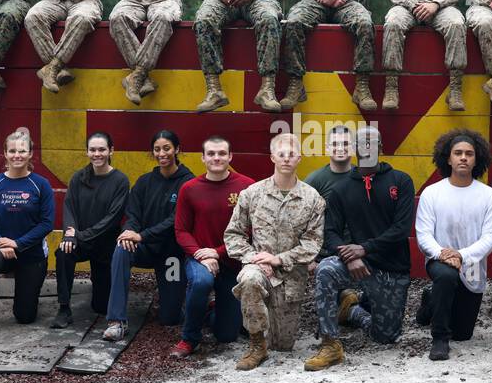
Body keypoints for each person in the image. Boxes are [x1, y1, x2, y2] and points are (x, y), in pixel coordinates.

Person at [312, 126, 415, 369]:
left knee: (386, 337)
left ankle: (353, 312)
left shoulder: (401, 181)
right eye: (362, 143)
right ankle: (330, 343)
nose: (367, 147)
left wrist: (364, 249)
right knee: (325, 269)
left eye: (372, 143)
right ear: (355, 149)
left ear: (381, 148)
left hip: (391, 266)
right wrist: (348, 256)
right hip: (357, 263)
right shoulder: (341, 189)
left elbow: (401, 229)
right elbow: (331, 232)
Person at [225, 134, 326, 370]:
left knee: (283, 345)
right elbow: (233, 234)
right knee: (249, 279)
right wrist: (254, 259)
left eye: (292, 154)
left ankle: (269, 339)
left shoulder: (312, 199)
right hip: (259, 268)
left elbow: (313, 243)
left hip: (291, 278)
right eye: (281, 154)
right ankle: (256, 345)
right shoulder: (252, 194)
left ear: (299, 158)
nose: (286, 159)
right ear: (272, 157)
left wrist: (279, 258)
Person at [415, 129, 492, 360]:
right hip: (439, 261)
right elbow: (423, 235)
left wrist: (461, 255)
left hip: (472, 266)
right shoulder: (432, 193)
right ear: (448, 158)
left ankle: (431, 302)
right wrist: (443, 255)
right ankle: (439, 338)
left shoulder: (490, 196)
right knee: (446, 276)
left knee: (463, 334)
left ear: (477, 158)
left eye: (469, 154)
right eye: (458, 153)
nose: (463, 157)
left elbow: (489, 238)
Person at [99, 129, 193, 340]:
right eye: (157, 149)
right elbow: (132, 214)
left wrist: (142, 235)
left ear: (177, 149)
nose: (162, 154)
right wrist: (130, 231)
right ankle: (116, 322)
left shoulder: (188, 183)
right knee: (122, 246)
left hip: (171, 253)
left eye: (167, 148)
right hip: (144, 247)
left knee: (170, 318)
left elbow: (175, 222)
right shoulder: (144, 181)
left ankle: (186, 301)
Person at [171, 136, 255, 358]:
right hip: (200, 259)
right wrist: (203, 256)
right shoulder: (189, 188)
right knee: (202, 281)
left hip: (232, 260)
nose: (216, 158)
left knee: (227, 335)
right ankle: (189, 338)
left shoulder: (247, 186)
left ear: (230, 157)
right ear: (203, 158)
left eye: (221, 153)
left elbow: (250, 230)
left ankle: (207, 310)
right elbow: (181, 230)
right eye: (211, 154)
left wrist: (218, 252)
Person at [0, 128, 55, 339]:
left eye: (22, 151)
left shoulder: (41, 184)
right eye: (13, 151)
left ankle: (27, 296)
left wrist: (16, 243)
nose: (17, 155)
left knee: (25, 316)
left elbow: (47, 223)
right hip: (0, 248)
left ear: (30, 154)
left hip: (30, 252)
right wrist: (0, 242)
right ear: (5, 154)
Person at [52, 132, 131, 330]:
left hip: (104, 245)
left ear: (111, 151)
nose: (97, 154)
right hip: (80, 241)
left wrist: (79, 235)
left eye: (102, 149)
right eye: (93, 150)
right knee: (63, 252)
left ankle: (100, 293)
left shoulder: (120, 180)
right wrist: (70, 236)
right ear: (87, 152)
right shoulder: (78, 177)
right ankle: (64, 308)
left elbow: (111, 219)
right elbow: (69, 208)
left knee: (101, 307)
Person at [305, 125, 354, 201]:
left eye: (345, 144)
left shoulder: (362, 177)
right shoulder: (314, 181)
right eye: (335, 144)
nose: (340, 148)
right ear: (327, 147)